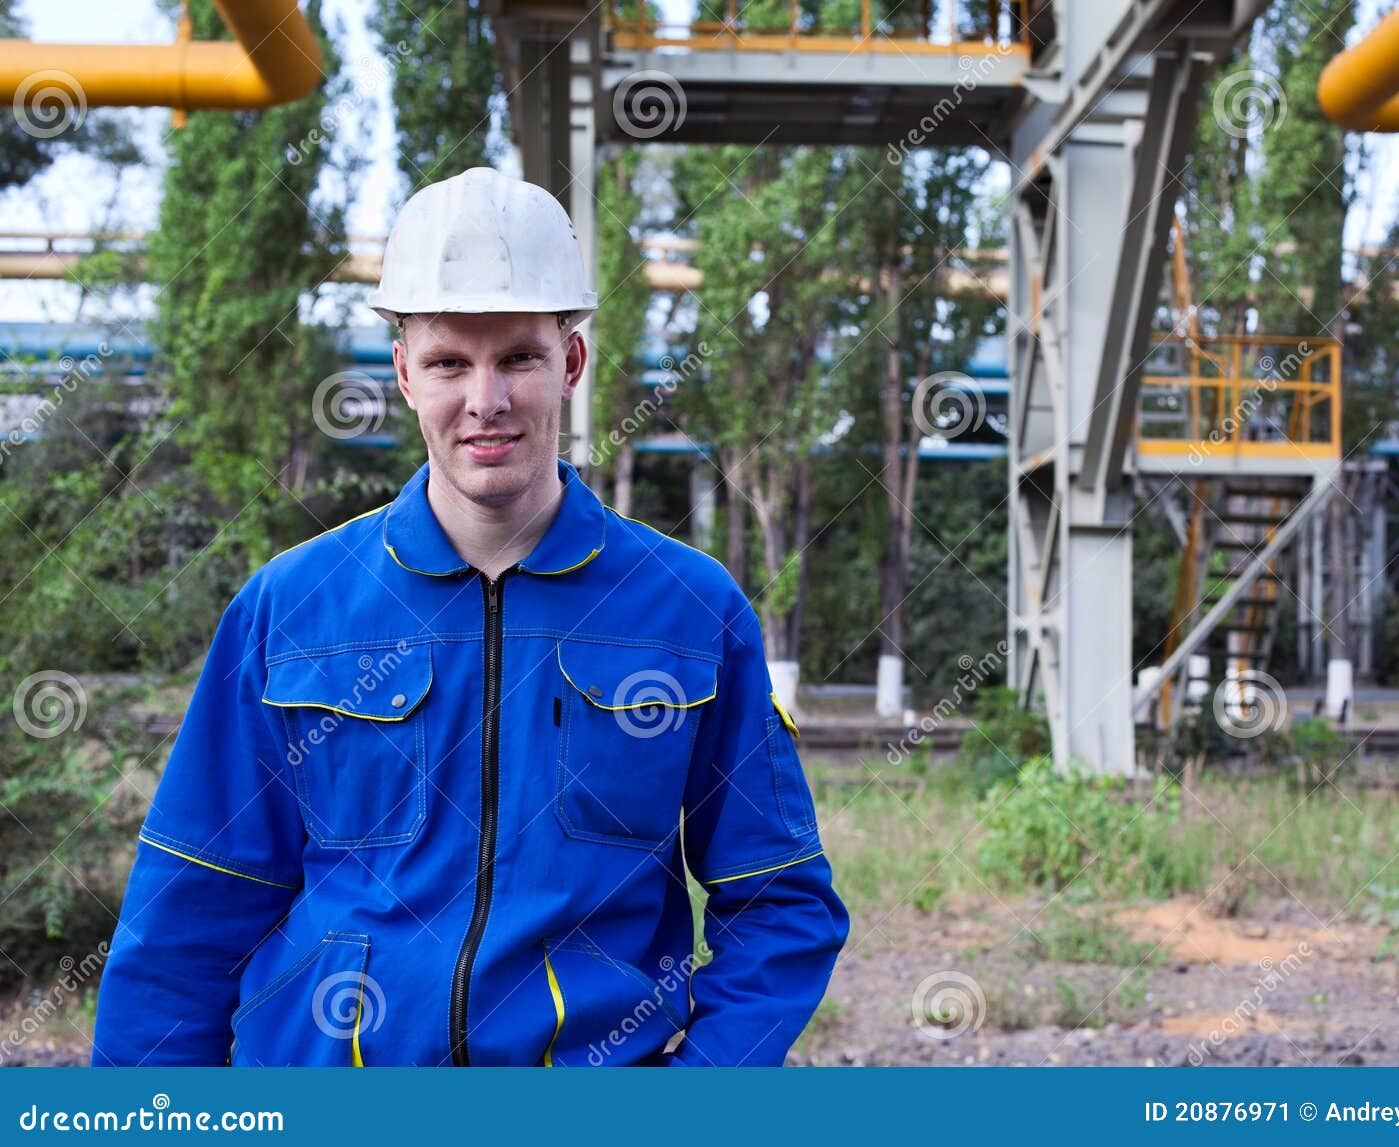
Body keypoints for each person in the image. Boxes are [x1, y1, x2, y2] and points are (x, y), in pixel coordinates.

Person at [92, 167, 849, 1067]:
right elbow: (190, 906)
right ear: (405, 372)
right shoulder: (290, 607)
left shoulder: (687, 608)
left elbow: (780, 899)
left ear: (570, 363)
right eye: (450, 361)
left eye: (518, 358)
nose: (485, 400)